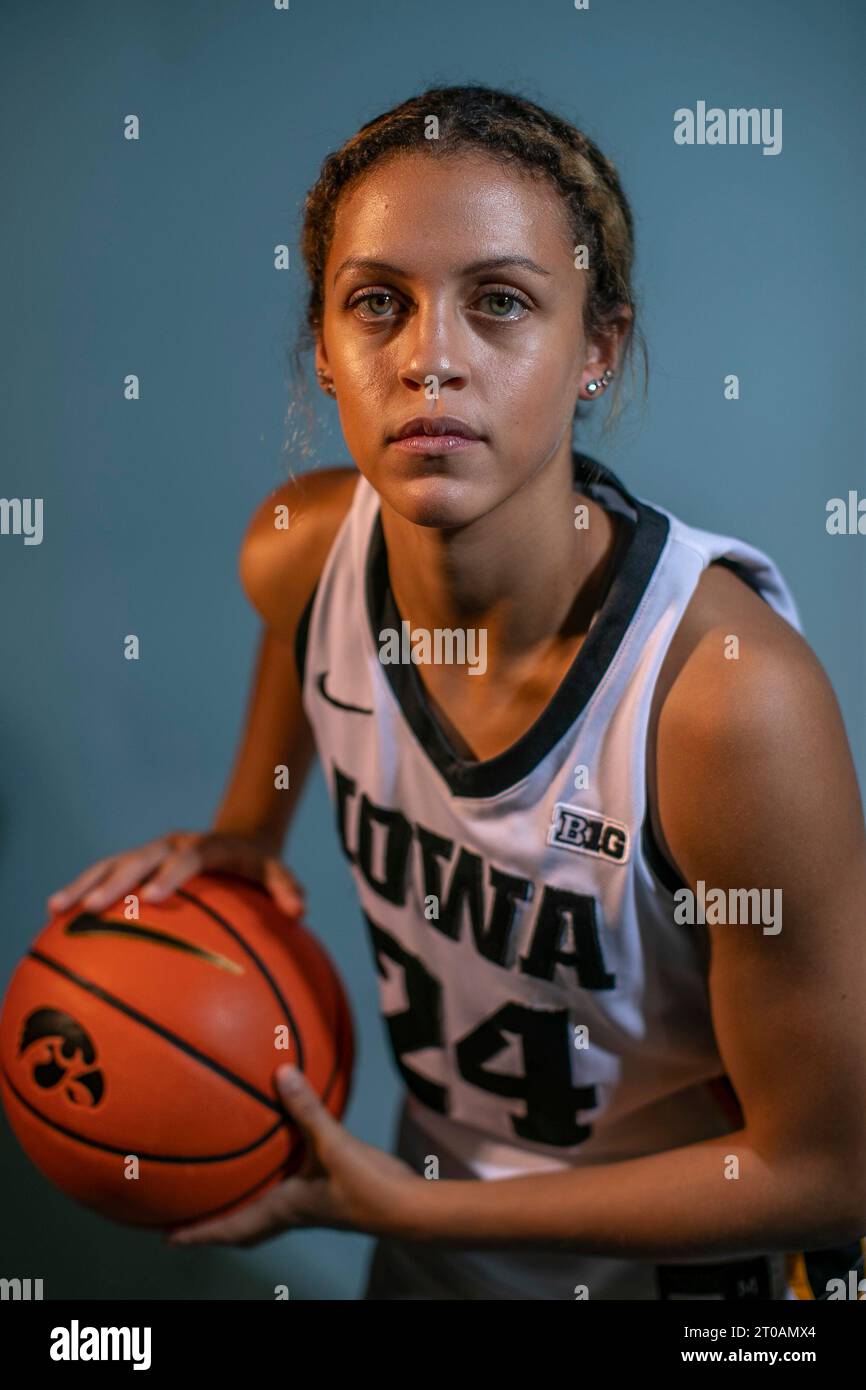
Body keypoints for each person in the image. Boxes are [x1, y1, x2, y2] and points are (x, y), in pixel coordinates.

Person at [48, 84, 866, 1300]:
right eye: (376, 303)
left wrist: (410, 1200)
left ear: (595, 346)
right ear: (324, 350)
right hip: (433, 1241)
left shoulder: (719, 706)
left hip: (698, 1285)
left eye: (499, 302)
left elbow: (829, 1168)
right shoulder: (298, 554)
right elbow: (302, 651)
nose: (429, 357)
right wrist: (238, 833)